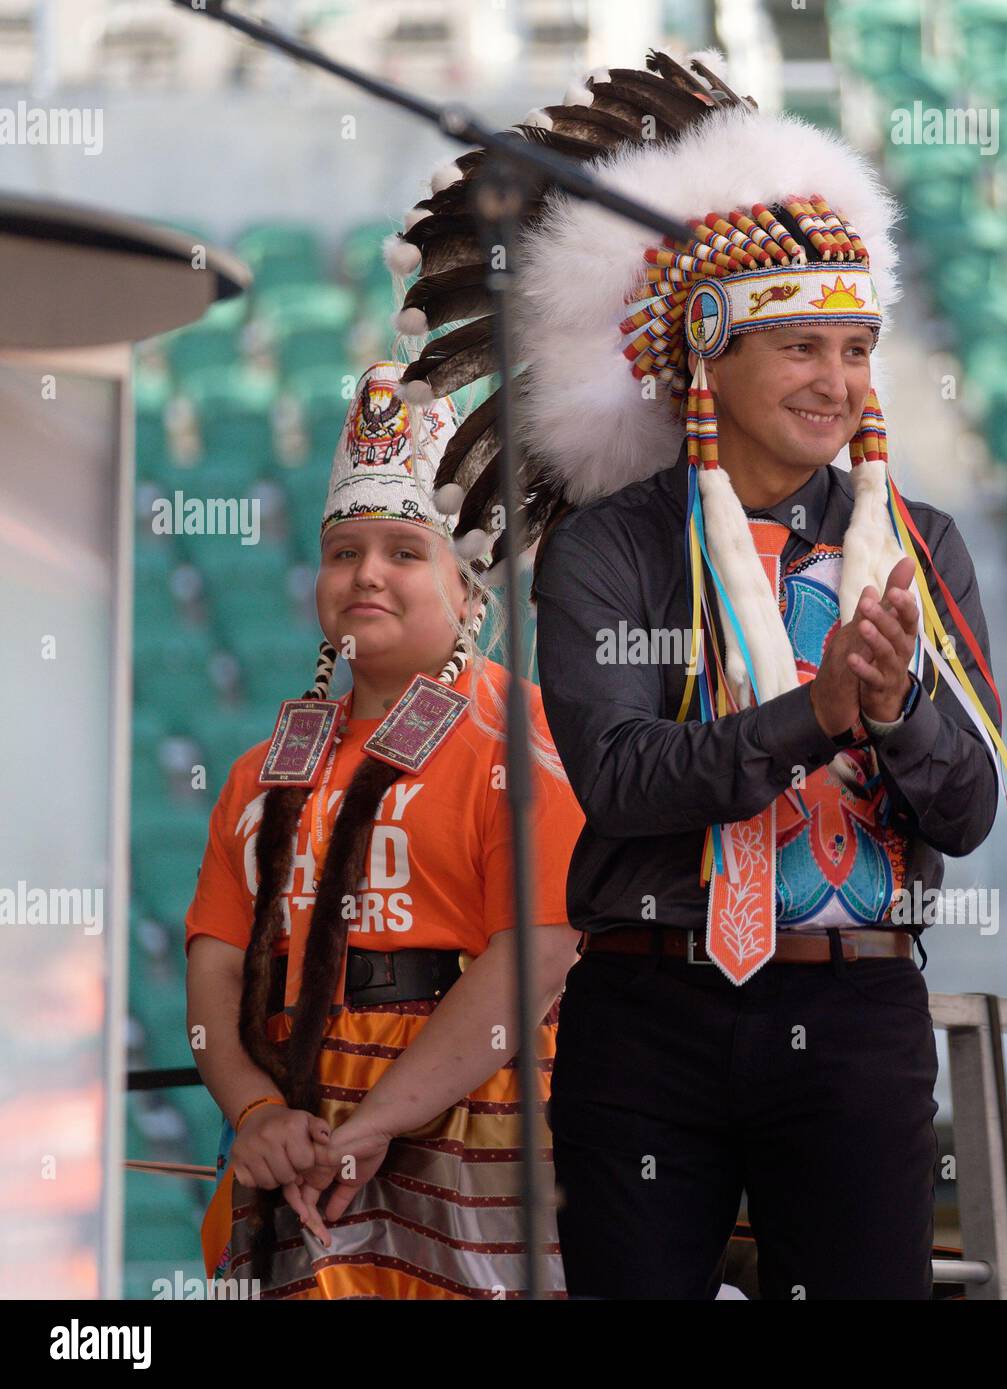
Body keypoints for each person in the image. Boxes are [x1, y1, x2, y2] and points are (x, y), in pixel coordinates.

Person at [495, 51, 1007, 1298]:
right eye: (799, 348)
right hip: (648, 1014)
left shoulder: (919, 544)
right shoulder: (605, 549)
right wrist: (818, 711)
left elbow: (968, 808)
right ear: (705, 356)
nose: (836, 385)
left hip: (855, 1020)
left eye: (854, 350)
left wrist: (894, 715)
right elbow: (621, 782)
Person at [184, 360, 586, 1298]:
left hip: (477, 1136)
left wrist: (375, 1122)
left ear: (466, 583)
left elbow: (539, 950)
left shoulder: (522, 734)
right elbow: (215, 974)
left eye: (405, 550)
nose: (366, 572)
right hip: (295, 1139)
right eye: (342, 551)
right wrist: (256, 1111)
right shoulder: (259, 769)